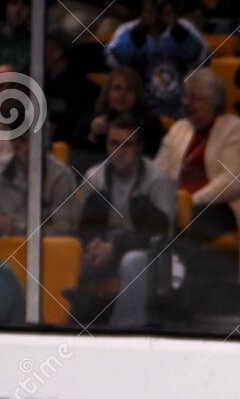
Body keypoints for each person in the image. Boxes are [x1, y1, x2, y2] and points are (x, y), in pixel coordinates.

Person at [73, 115, 175, 327]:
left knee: (132, 260)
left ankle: (125, 331)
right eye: (114, 143)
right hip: (103, 251)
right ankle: (70, 329)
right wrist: (94, 244)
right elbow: (83, 225)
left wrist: (115, 247)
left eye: (127, 145)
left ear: (139, 148)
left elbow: (162, 236)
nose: (120, 151)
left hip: (147, 254)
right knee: (69, 254)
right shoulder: (95, 176)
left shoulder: (158, 179)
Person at [156, 69, 240, 243]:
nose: (187, 103)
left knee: (192, 220)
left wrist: (191, 202)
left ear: (214, 102)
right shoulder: (180, 128)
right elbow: (158, 171)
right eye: (186, 96)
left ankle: (175, 263)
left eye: (195, 98)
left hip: (218, 206)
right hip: (177, 205)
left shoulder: (235, 128)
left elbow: (232, 182)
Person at [105, 1, 209, 120]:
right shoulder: (127, 29)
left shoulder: (185, 28)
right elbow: (114, 62)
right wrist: (141, 28)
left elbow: (203, 59)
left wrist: (177, 30)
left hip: (179, 106)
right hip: (140, 108)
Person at [0, 135, 80, 237]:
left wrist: (17, 229)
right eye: (16, 139)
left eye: (24, 139)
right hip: (3, 248)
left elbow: (64, 229)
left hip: (48, 250)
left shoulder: (61, 176)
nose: (23, 146)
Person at [69, 67, 167, 167]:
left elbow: (158, 159)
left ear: (137, 95)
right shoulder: (89, 123)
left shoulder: (150, 124)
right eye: (117, 88)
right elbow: (76, 162)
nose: (122, 95)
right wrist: (93, 135)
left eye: (129, 89)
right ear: (107, 92)